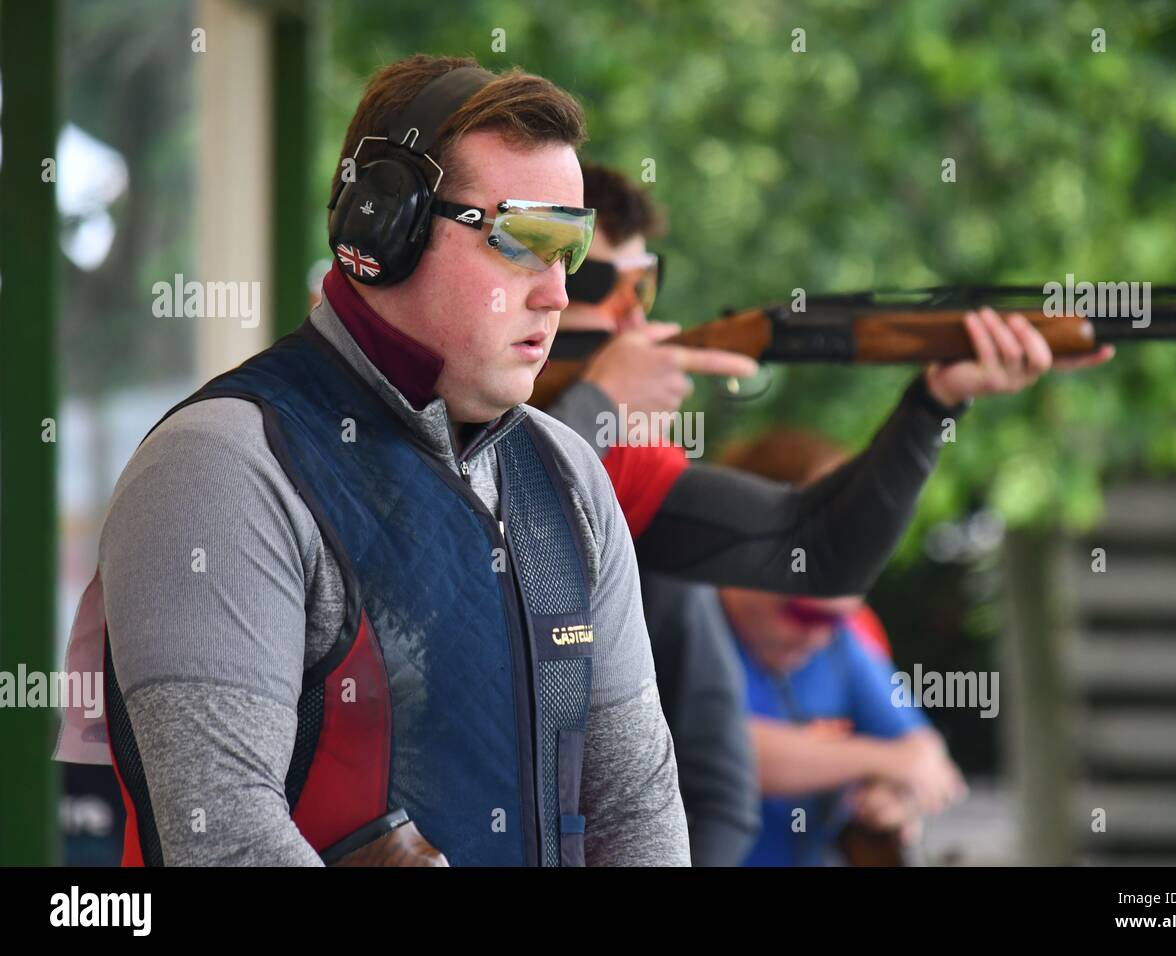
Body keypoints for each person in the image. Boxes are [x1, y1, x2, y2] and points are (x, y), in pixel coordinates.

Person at [56, 56, 689, 867]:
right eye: (523, 240)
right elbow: (225, 841)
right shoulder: (222, 464)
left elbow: (636, 809)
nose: (557, 292)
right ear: (383, 228)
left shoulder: (568, 472)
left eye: (570, 247)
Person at [540, 163, 1111, 865]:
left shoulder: (615, 454)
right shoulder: (452, 426)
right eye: (602, 287)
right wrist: (598, 404)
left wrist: (934, 404)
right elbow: (506, 534)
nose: (635, 317)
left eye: (645, 286)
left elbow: (813, 549)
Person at [714, 427, 963, 866]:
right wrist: (879, 760)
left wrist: (895, 796)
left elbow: (925, 755)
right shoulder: (677, 616)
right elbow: (717, 747)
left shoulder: (843, 638)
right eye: (803, 613)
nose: (820, 634)